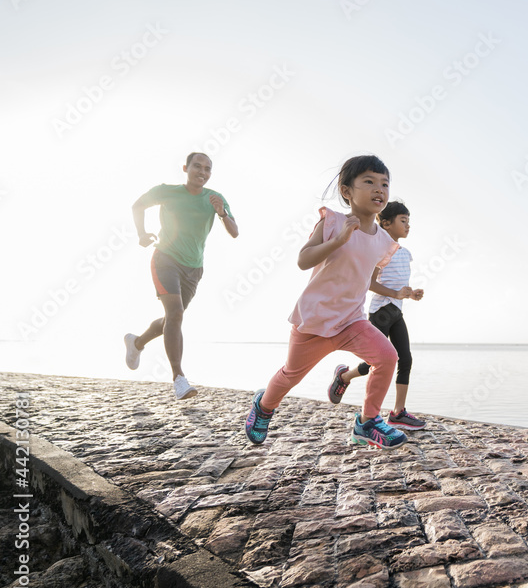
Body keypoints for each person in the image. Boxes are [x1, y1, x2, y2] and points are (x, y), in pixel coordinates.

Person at [245, 155, 407, 449]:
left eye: (384, 184)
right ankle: (263, 407)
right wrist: (339, 240)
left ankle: (367, 423)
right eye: (368, 182)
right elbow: (303, 260)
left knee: (387, 357)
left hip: (351, 321)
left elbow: (366, 278)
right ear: (347, 191)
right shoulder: (333, 222)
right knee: (290, 377)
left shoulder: (384, 241)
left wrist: (398, 294)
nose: (379, 189)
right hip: (315, 321)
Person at [124, 152, 238, 399]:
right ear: (186, 168)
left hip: (194, 268)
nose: (202, 172)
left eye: (207, 169)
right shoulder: (167, 191)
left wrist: (222, 213)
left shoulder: (215, 199)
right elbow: (138, 206)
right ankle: (179, 378)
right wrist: (142, 233)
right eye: (197, 166)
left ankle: (137, 343)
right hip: (165, 258)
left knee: (171, 318)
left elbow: (234, 231)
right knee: (175, 314)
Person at [327, 201, 425, 430]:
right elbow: (370, 283)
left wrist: (410, 294)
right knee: (374, 362)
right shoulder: (380, 250)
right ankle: (344, 377)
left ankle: (398, 412)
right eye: (403, 220)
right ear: (386, 224)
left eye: (409, 221)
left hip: (397, 311)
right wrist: (395, 293)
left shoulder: (405, 253)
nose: (408, 225)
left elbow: (399, 286)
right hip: (381, 312)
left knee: (406, 359)